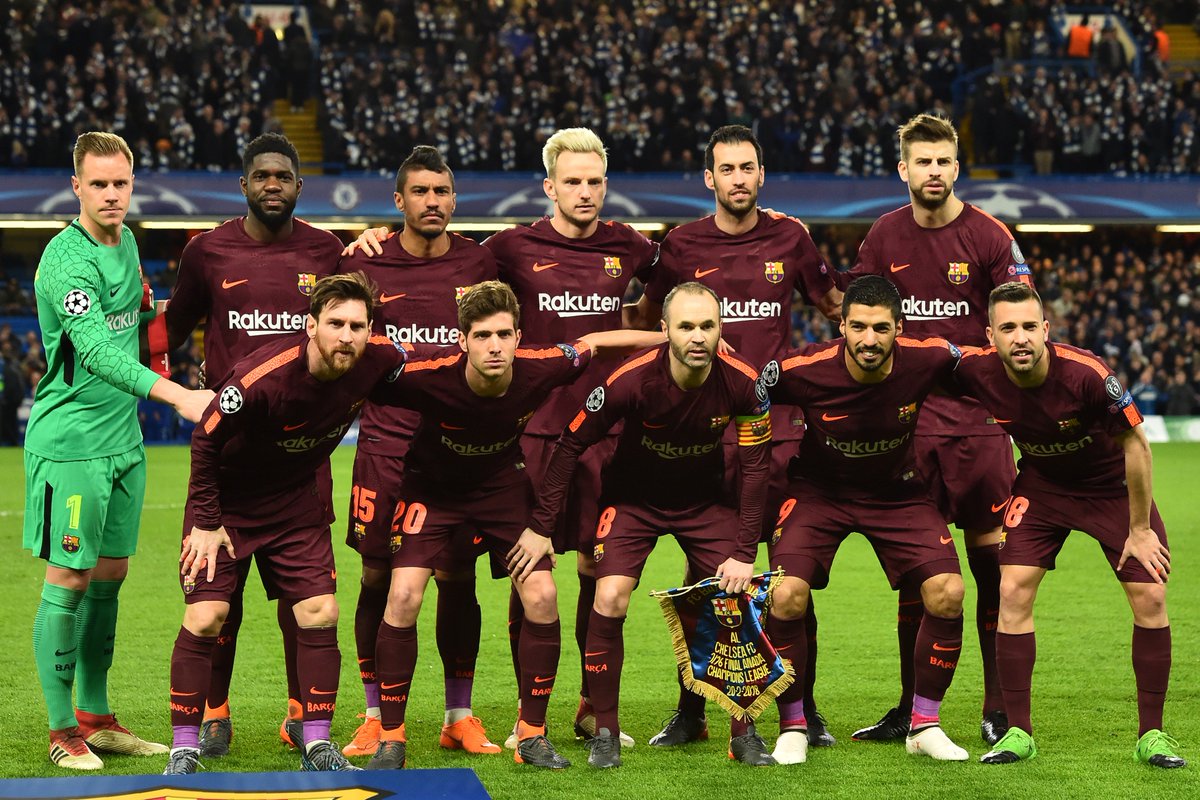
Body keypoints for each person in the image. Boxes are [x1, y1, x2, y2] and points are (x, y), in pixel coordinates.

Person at [345, 128, 660, 751]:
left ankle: (568, 708)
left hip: (572, 434)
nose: (586, 191)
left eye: (595, 180)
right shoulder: (495, 250)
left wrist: (670, 339)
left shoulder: (615, 248)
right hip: (464, 441)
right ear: (549, 187)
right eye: (573, 180)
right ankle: (384, 716)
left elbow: (653, 294)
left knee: (579, 569)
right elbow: (339, 332)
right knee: (397, 576)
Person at [362, 281, 662, 772]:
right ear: (462, 340)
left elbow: (600, 341)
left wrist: (667, 339)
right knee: (403, 596)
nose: (495, 346)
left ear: (519, 336)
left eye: (504, 334)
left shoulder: (543, 364)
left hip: (502, 487)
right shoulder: (424, 375)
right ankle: (391, 739)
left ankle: (531, 736)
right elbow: (357, 368)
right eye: (482, 336)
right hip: (431, 491)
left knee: (542, 595)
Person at [625, 124, 842, 749]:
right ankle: (691, 712)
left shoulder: (792, 237)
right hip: (703, 442)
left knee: (786, 575)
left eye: (749, 167)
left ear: (761, 174)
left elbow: (837, 311)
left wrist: (810, 381)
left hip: (776, 439)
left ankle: (802, 709)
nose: (739, 179)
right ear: (709, 178)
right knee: (704, 578)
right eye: (728, 169)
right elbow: (644, 321)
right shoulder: (683, 244)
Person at [524, 281, 775, 769]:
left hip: (704, 503)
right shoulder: (630, 380)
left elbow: (756, 469)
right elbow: (570, 444)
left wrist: (745, 552)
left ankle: (744, 733)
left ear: (721, 329)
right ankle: (606, 732)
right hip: (633, 501)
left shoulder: (744, 383)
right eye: (686, 326)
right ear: (664, 331)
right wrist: (540, 525)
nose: (698, 336)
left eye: (708, 325)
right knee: (609, 594)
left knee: (732, 596)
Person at [163, 272, 405, 775]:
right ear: (310, 324)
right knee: (207, 616)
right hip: (227, 505)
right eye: (335, 323)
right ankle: (183, 749)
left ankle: (317, 744)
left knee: (320, 610)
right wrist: (206, 523)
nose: (347, 335)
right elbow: (206, 441)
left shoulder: (377, 361)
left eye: (358, 325)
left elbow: (430, 376)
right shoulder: (261, 378)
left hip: (295, 504)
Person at [23, 131, 213, 770]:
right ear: (76, 186)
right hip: (71, 444)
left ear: (132, 186)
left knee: (109, 580)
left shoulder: (127, 242)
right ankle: (60, 728)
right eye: (98, 183)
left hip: (122, 445)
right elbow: (98, 352)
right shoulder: (64, 260)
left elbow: (134, 321)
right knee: (69, 579)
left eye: (120, 183)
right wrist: (176, 395)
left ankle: (96, 716)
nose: (110, 194)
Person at [845, 113, 1031, 747]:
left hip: (978, 426)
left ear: (957, 166)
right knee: (917, 572)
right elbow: (861, 321)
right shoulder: (882, 237)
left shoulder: (989, 236)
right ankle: (909, 706)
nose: (933, 171)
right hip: (908, 427)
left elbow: (1019, 324)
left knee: (991, 569)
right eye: (921, 161)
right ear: (903, 169)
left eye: (943, 161)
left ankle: (998, 706)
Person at [955, 283, 1185, 769]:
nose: (1020, 338)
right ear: (990, 335)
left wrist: (1140, 529)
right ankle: (1018, 731)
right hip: (1044, 487)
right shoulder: (977, 372)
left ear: (1046, 330)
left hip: (1111, 489)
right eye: (1008, 328)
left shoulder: (1087, 375)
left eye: (1029, 327)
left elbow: (1138, 446)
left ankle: (1153, 735)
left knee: (1151, 595)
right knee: (1012, 587)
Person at [165, 132, 344, 757]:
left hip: (300, 464)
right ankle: (213, 713)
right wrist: (171, 383)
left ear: (299, 186)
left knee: (308, 606)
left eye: (284, 176)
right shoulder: (207, 251)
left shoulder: (328, 251)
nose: (273, 184)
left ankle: (305, 719)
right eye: (262, 176)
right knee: (220, 607)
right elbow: (173, 326)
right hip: (228, 455)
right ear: (244, 185)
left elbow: (354, 320)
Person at [763, 275, 971, 765]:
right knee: (786, 593)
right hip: (818, 493)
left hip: (896, 492)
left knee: (948, 591)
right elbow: (740, 391)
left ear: (900, 327)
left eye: (881, 328)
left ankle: (924, 724)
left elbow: (992, 373)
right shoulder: (803, 368)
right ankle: (793, 726)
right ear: (841, 325)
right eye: (858, 326)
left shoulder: (931, 357)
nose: (869, 339)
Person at [337, 145, 501, 760]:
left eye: (442, 192)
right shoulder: (363, 264)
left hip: (458, 455)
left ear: (454, 201)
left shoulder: (481, 264)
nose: (432, 202)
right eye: (420, 192)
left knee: (457, 579)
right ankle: (375, 714)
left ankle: (459, 714)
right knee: (377, 575)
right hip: (384, 448)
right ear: (399, 201)